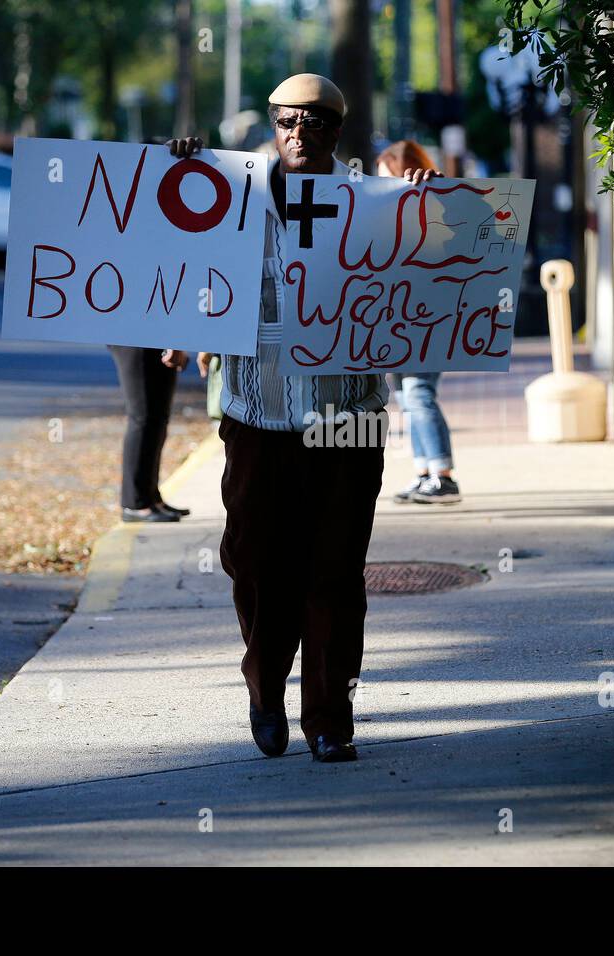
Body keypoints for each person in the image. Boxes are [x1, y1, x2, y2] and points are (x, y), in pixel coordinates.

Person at [172, 74, 440, 763]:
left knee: (334, 575)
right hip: (256, 415)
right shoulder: (226, 196)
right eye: (288, 121)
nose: (299, 134)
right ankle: (264, 688)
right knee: (256, 564)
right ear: (273, 124)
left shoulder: (373, 205)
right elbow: (184, 267)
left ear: (336, 133)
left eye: (315, 123)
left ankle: (328, 717)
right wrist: (170, 181)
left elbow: (433, 277)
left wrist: (425, 213)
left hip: (345, 421)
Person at [375, 141, 461, 505]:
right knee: (408, 397)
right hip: (399, 317)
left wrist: (434, 191)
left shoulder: (430, 203)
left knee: (418, 394)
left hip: (426, 318)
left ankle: (442, 476)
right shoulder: (390, 214)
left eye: (387, 179)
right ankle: (426, 472)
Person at [107, 345, 190, 523]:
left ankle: (151, 497)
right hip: (137, 337)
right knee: (143, 416)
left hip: (157, 336)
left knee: (158, 417)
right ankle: (135, 503)